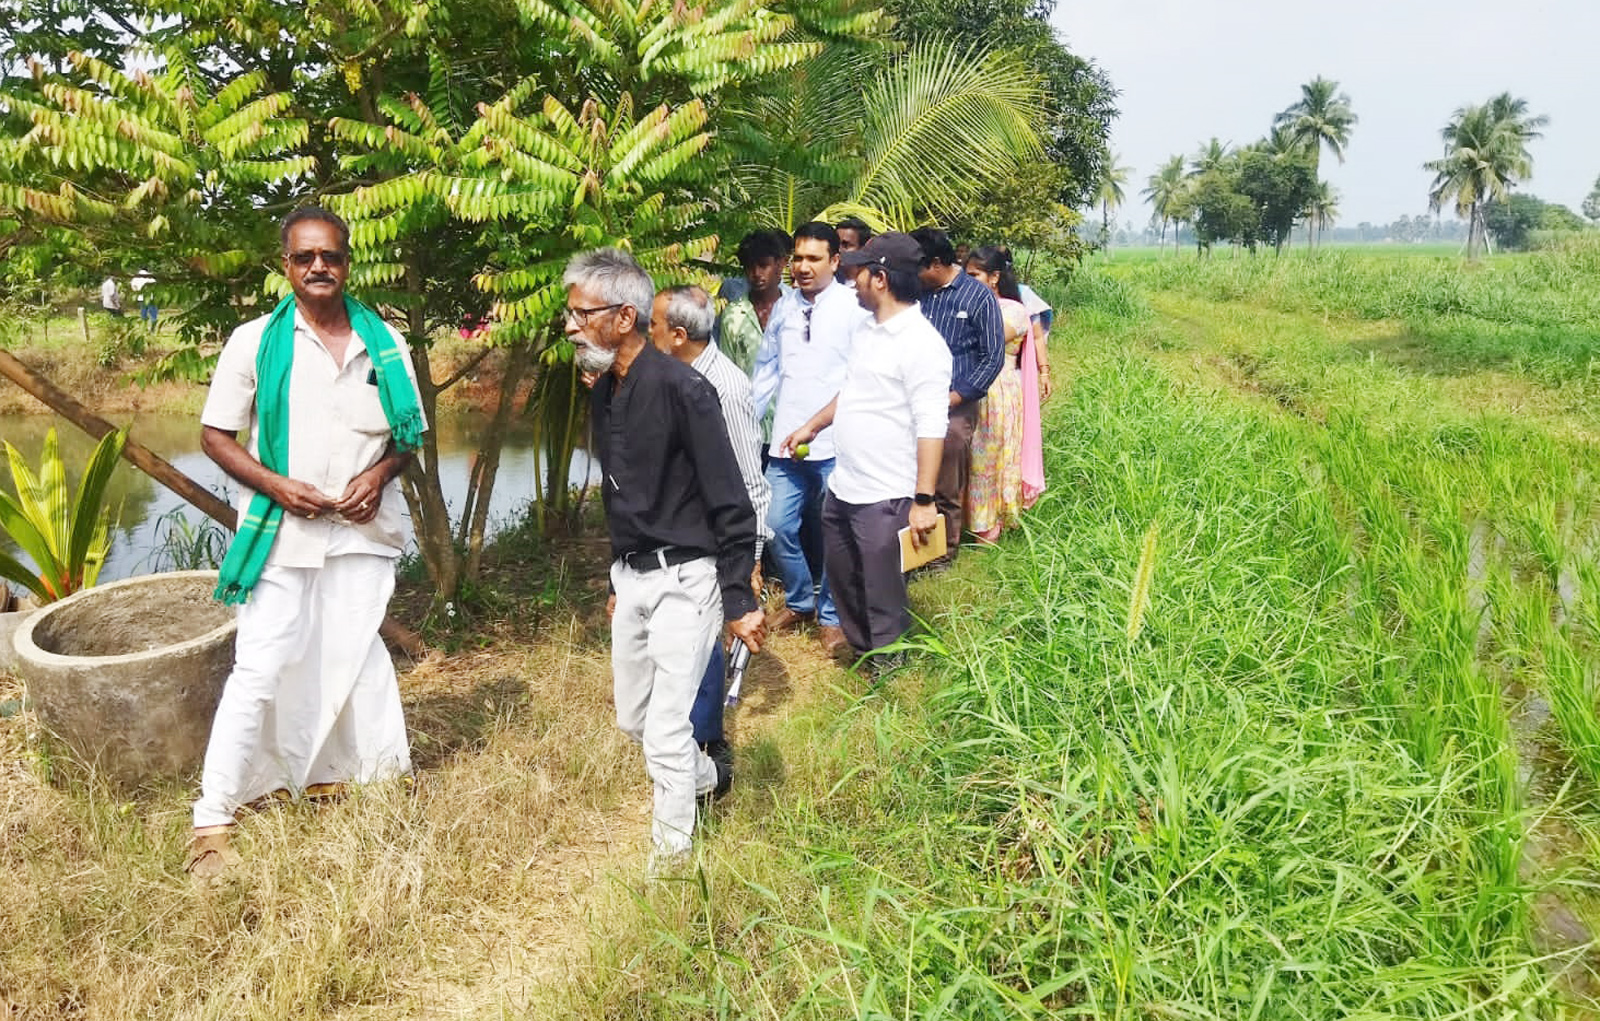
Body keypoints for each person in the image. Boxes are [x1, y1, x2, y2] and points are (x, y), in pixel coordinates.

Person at [186, 206, 425, 878]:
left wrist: (379, 475)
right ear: (286, 266)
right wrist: (277, 485)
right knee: (262, 664)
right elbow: (215, 437)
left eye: (331, 256)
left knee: (360, 656)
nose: (319, 267)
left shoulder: (386, 344)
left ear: (349, 262)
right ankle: (213, 818)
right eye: (304, 257)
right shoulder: (254, 341)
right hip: (282, 531)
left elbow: (407, 438)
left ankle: (378, 781)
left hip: (360, 532)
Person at [571, 248, 765, 873]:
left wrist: (739, 595)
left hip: (688, 577)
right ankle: (706, 776)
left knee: (666, 730)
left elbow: (730, 497)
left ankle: (672, 863)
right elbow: (623, 494)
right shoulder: (604, 392)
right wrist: (614, 573)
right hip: (633, 577)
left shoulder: (688, 391)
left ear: (623, 317)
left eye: (581, 314)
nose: (570, 326)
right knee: (634, 720)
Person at [778, 233, 950, 664]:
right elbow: (851, 392)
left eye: (859, 272)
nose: (852, 280)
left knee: (882, 588)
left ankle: (892, 671)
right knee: (845, 576)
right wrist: (812, 426)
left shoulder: (922, 344)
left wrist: (924, 500)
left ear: (881, 278)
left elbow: (932, 427)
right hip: (846, 484)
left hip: (886, 491)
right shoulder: (869, 331)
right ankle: (864, 653)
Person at [648, 283, 771, 793]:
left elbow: (748, 477)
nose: (646, 331)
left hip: (716, 534)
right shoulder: (672, 377)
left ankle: (706, 748)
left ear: (678, 335)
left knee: (704, 640)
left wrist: (750, 557)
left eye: (653, 325)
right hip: (679, 531)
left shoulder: (724, 386)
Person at [751, 222, 867, 657]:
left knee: (836, 533)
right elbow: (766, 370)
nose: (801, 267)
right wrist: (744, 417)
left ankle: (832, 616)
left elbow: (859, 379)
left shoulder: (855, 308)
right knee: (776, 526)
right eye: (797, 258)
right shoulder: (783, 308)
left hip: (838, 444)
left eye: (813, 258)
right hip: (786, 443)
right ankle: (800, 600)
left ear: (835, 261)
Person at [908, 226, 1003, 565]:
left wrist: (956, 397)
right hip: (911, 401)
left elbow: (992, 357)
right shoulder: (916, 294)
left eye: (916, 266)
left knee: (946, 480)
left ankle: (941, 556)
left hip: (954, 407)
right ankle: (912, 551)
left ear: (935, 263)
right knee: (912, 478)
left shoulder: (978, 296)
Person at [962, 246, 1036, 540]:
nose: (968, 281)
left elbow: (988, 341)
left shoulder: (1013, 311)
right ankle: (972, 520)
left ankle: (991, 523)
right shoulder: (966, 305)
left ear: (994, 278)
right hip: (969, 387)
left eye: (974, 275)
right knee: (972, 457)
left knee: (992, 456)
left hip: (998, 391)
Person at [717, 228, 790, 375]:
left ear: (779, 264)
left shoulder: (798, 306)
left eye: (763, 266)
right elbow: (727, 369)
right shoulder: (734, 315)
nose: (756, 273)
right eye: (750, 267)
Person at [834, 216, 872, 283]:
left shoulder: (872, 284)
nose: (839, 249)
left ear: (863, 248)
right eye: (836, 243)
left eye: (846, 245)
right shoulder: (825, 281)